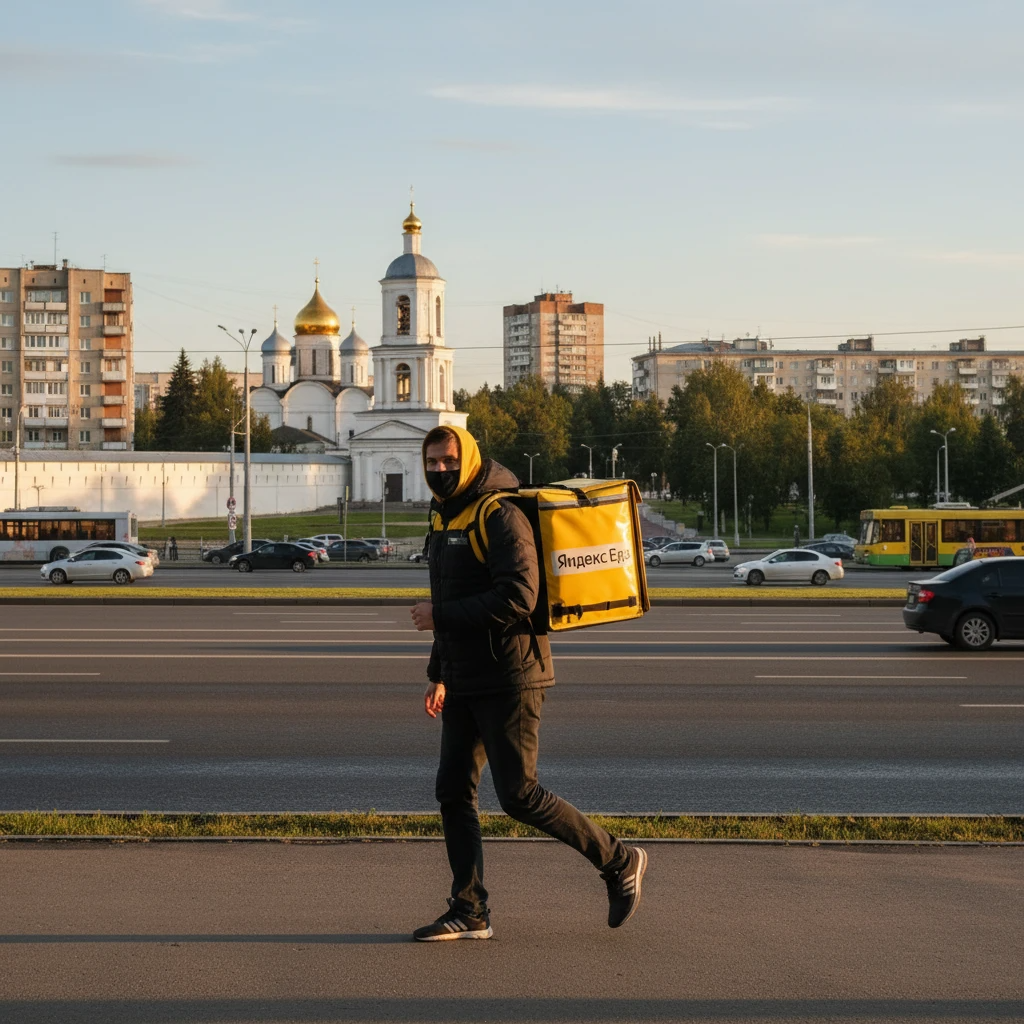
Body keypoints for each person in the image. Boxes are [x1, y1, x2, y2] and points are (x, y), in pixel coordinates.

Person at [408, 425, 646, 942]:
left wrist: (440, 617)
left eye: (449, 460)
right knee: (453, 790)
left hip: (512, 674)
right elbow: (448, 594)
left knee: (518, 795)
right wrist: (438, 673)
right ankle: (470, 910)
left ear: (468, 459)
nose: (440, 469)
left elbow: (519, 595)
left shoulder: (499, 513)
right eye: (432, 462)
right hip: (465, 678)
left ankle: (619, 859)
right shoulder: (446, 514)